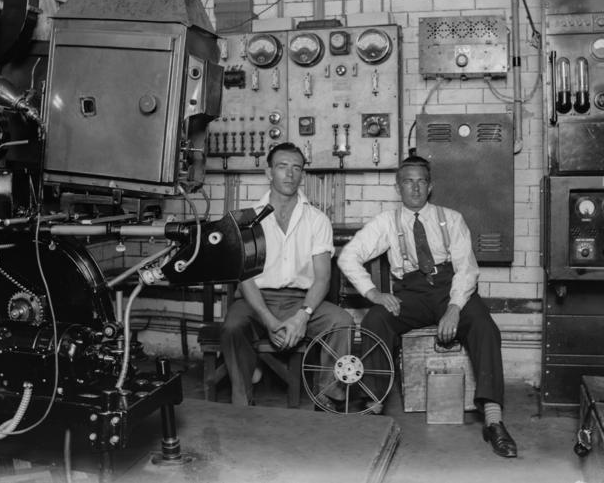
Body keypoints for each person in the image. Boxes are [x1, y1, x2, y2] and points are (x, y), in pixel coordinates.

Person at [337, 155, 517, 458]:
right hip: (411, 293)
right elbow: (347, 257)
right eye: (408, 182)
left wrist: (454, 308)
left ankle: (493, 420)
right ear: (398, 187)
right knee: (375, 321)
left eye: (421, 181)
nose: (415, 188)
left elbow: (466, 269)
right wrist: (374, 293)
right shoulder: (386, 222)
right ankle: (373, 405)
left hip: (451, 288)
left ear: (430, 186)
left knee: (484, 325)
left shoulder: (451, 218)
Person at [220, 142, 353, 408]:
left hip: (300, 300)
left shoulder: (317, 219)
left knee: (342, 321)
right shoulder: (246, 219)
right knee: (233, 326)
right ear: (269, 173)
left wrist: (302, 317)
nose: (290, 174)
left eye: (296, 168)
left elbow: (322, 278)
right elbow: (245, 279)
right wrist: (269, 320)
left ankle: (328, 398)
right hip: (255, 300)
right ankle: (241, 402)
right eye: (282, 167)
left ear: (302, 174)